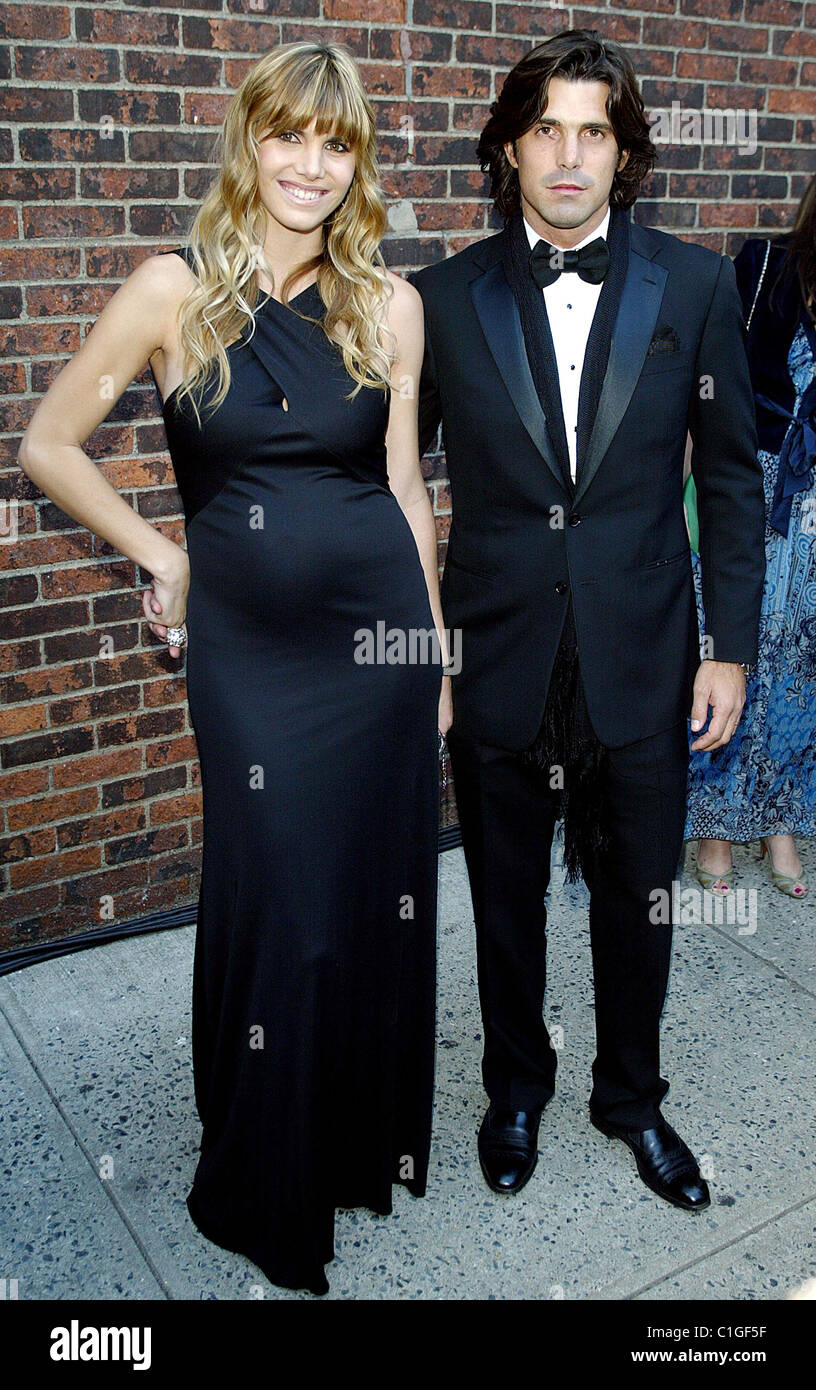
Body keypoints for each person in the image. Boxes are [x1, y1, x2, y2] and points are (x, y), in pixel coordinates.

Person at [17, 40, 452, 1296]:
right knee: (285, 910)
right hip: (253, 658)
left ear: (357, 161)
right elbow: (50, 443)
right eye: (288, 135)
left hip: (377, 649)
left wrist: (430, 660)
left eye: (338, 142)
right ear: (248, 139)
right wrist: (170, 554)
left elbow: (405, 488)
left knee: (368, 904)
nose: (311, 165)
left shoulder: (390, 302)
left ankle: (349, 1143)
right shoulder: (172, 289)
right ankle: (265, 1175)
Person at [411, 29, 765, 1212]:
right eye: (546, 130)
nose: (569, 155)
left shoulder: (699, 284)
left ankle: (633, 1095)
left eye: (594, 132)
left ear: (625, 153)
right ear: (510, 148)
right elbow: (385, 488)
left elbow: (728, 479)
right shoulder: (438, 301)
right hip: (497, 650)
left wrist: (730, 648)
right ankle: (516, 1084)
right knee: (503, 891)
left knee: (640, 894)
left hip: (645, 648)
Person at [689, 174, 816, 900]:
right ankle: (710, 822)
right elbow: (711, 386)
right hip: (750, 486)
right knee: (731, 646)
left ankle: (780, 820)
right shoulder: (763, 265)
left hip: (813, 503)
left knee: (798, 667)